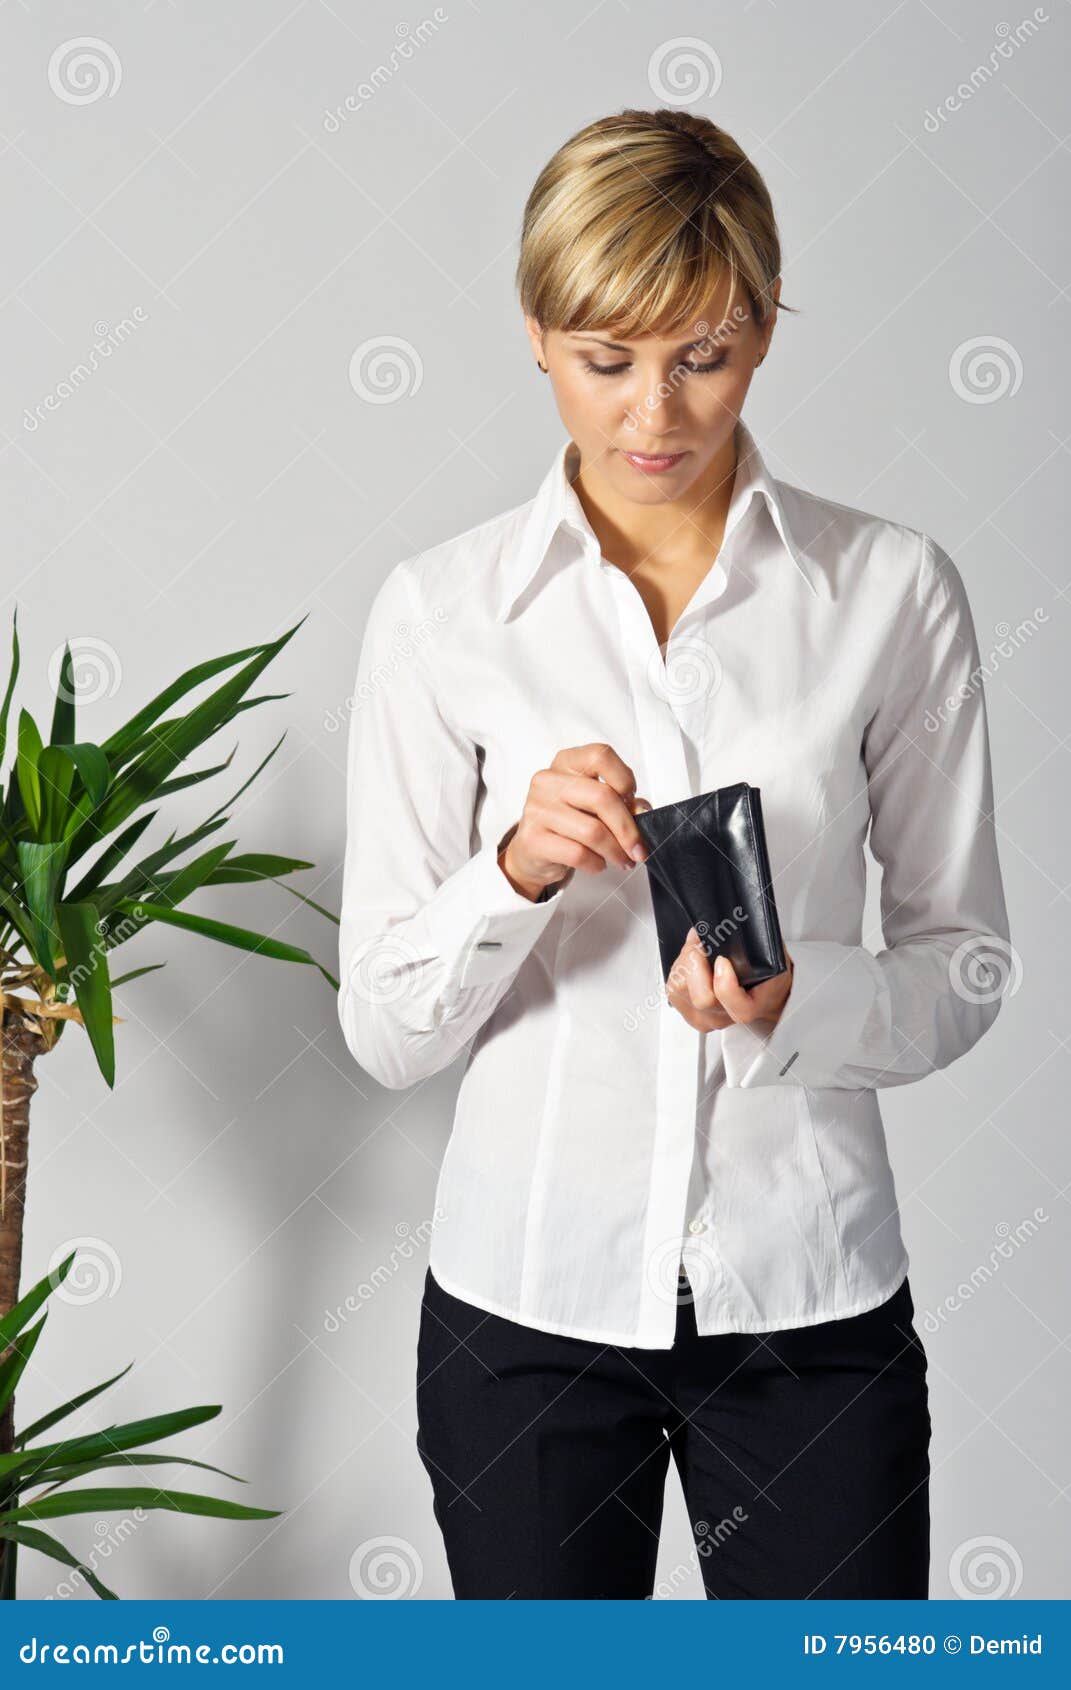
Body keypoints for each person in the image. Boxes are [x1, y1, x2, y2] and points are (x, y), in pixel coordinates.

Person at [337, 107, 1012, 1599]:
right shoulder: (443, 613)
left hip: (812, 1309)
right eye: (606, 357)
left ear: (765, 331)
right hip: (524, 1312)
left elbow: (965, 964)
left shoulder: (889, 594)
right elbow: (382, 1029)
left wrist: (796, 1000)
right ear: (535, 336)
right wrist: (509, 870)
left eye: (703, 354)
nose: (655, 411)